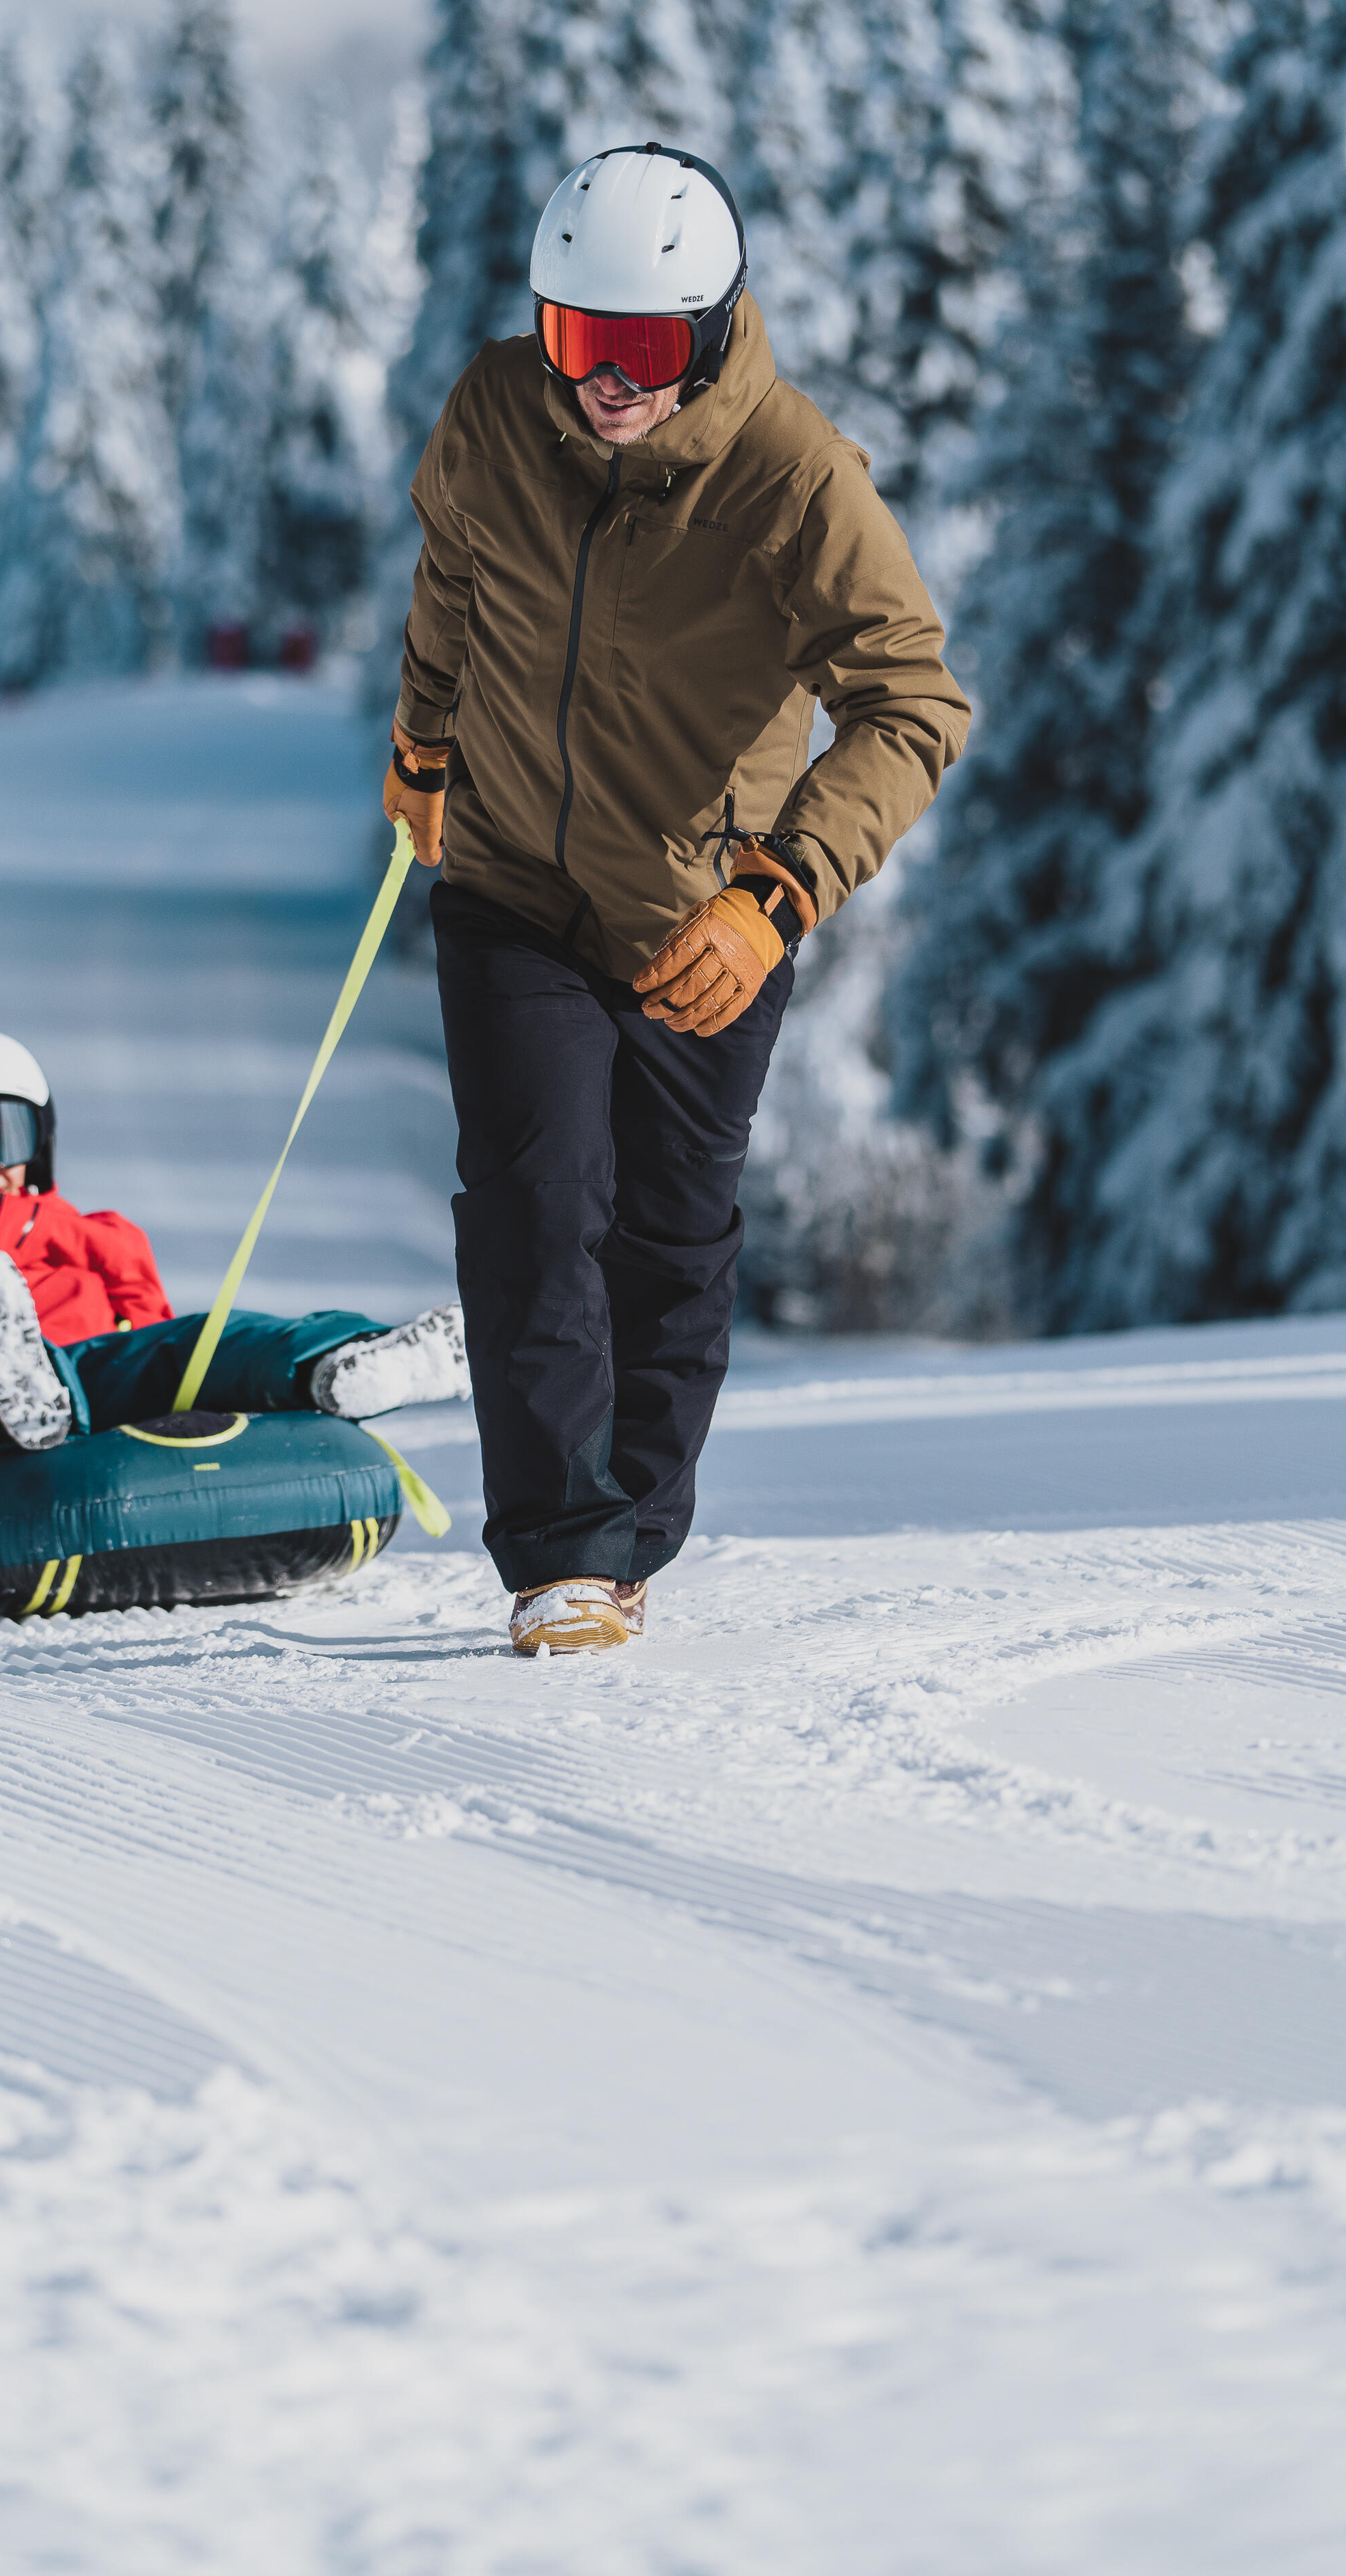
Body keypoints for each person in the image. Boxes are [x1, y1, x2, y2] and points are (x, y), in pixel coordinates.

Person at [385, 141, 970, 1657]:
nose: (604, 381)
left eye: (643, 349)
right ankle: (562, 1555)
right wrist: (425, 737)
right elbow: (454, 575)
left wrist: (776, 896)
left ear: (709, 331)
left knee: (670, 1235)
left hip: (701, 922)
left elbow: (914, 705)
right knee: (534, 1204)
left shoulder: (794, 477)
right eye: (579, 337)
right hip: (512, 885)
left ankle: (634, 1528)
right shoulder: (495, 412)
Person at [0, 1027, 467, 1562]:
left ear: (39, 1142)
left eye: (3, 1133)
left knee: (202, 1340)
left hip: (93, 1368)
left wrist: (179, 1413)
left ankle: (343, 1361)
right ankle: (10, 1393)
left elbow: (153, 1336)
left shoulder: (98, 1232)